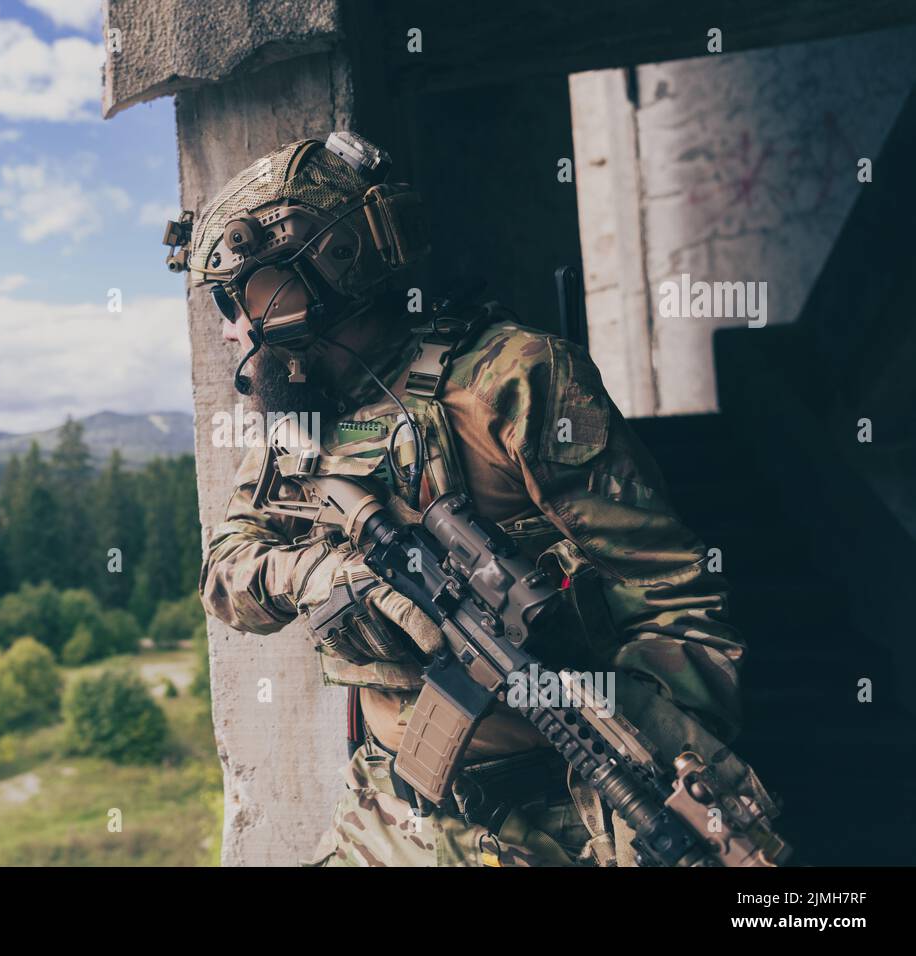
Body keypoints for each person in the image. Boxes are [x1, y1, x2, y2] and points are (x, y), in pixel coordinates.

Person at [166, 132, 774, 866]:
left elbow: (675, 599)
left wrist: (642, 760)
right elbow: (225, 574)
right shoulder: (300, 413)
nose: (233, 327)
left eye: (248, 294)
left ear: (328, 269)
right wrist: (339, 581)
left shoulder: (510, 380)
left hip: (564, 810)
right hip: (392, 807)